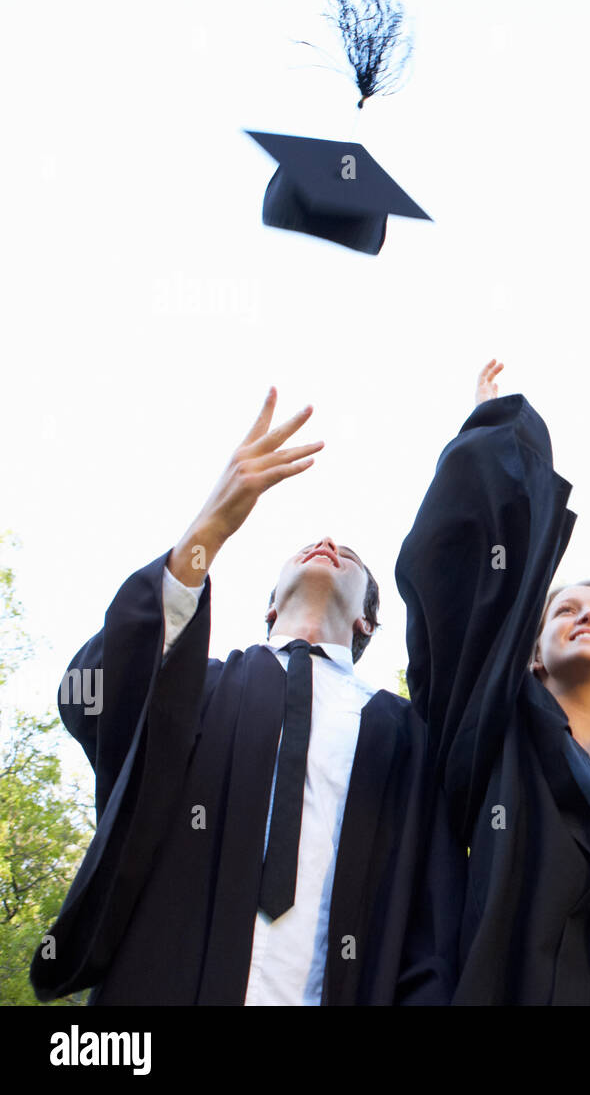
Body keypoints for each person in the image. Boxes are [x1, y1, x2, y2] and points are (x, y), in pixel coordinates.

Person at [30, 389, 437, 1005]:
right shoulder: (201, 688)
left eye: (349, 556)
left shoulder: (402, 731)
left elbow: (427, 918)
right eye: (307, 548)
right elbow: (93, 697)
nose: (328, 542)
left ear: (367, 624)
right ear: (270, 604)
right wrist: (206, 534)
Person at [395, 361, 590, 1005]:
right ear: (533, 652)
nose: (589, 616)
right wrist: (488, 443)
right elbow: (459, 581)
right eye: (565, 609)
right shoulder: (495, 731)